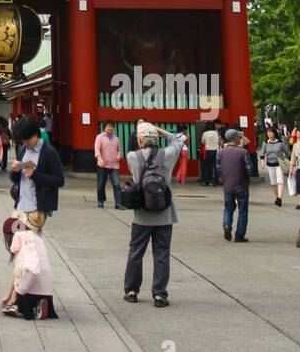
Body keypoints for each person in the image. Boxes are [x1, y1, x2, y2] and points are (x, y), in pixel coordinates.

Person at [123, 121, 187, 307]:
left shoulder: (133, 157)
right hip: (164, 213)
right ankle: (159, 294)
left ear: (140, 140)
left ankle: (132, 290)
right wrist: (159, 129)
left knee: (136, 252)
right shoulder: (167, 155)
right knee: (162, 253)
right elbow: (179, 139)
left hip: (141, 214)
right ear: (156, 138)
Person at [0, 211, 58, 320]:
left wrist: (11, 296)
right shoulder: (36, 237)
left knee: (23, 286)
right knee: (33, 283)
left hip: (30, 284)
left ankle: (21, 306)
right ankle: (40, 305)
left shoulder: (19, 237)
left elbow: (17, 271)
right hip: (47, 288)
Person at [9, 114, 65, 216]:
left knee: (30, 232)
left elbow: (59, 180)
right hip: (20, 206)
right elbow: (16, 179)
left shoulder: (49, 152)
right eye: (22, 141)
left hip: (37, 209)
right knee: (12, 231)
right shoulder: (23, 150)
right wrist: (15, 171)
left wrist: (35, 175)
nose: (25, 143)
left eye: (27, 140)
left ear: (35, 134)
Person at [217, 128, 250, 241]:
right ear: (235, 138)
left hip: (228, 185)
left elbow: (218, 169)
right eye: (239, 137)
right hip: (241, 185)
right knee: (243, 210)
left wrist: (224, 179)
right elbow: (249, 169)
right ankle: (239, 235)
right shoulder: (243, 152)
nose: (240, 139)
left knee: (228, 207)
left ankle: (227, 225)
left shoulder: (220, 152)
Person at [94, 119, 124, 208]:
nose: (110, 128)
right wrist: (100, 158)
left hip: (114, 165)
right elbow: (97, 149)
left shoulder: (116, 138)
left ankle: (118, 203)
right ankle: (101, 201)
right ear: (104, 128)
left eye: (112, 127)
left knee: (117, 184)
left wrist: (119, 155)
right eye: (109, 127)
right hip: (102, 165)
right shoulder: (99, 137)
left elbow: (119, 150)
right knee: (101, 185)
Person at [260, 125, 291, 207]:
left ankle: (279, 198)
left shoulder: (280, 143)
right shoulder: (265, 143)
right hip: (270, 165)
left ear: (274, 133)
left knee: (280, 181)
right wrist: (262, 162)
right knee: (273, 183)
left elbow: (288, 153)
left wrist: (292, 163)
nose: (269, 134)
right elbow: (262, 154)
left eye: (271, 132)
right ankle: (277, 197)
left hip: (279, 164)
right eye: (268, 132)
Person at [199, 121, 221, 186]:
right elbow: (218, 141)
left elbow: (203, 142)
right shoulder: (216, 132)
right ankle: (215, 181)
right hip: (215, 151)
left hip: (207, 151)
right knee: (215, 166)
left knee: (208, 166)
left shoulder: (205, 133)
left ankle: (207, 181)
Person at [288, 131, 300, 210]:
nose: (297, 135)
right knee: (299, 185)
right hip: (299, 168)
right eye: (297, 134)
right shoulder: (295, 145)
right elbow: (293, 157)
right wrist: (291, 168)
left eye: (299, 134)